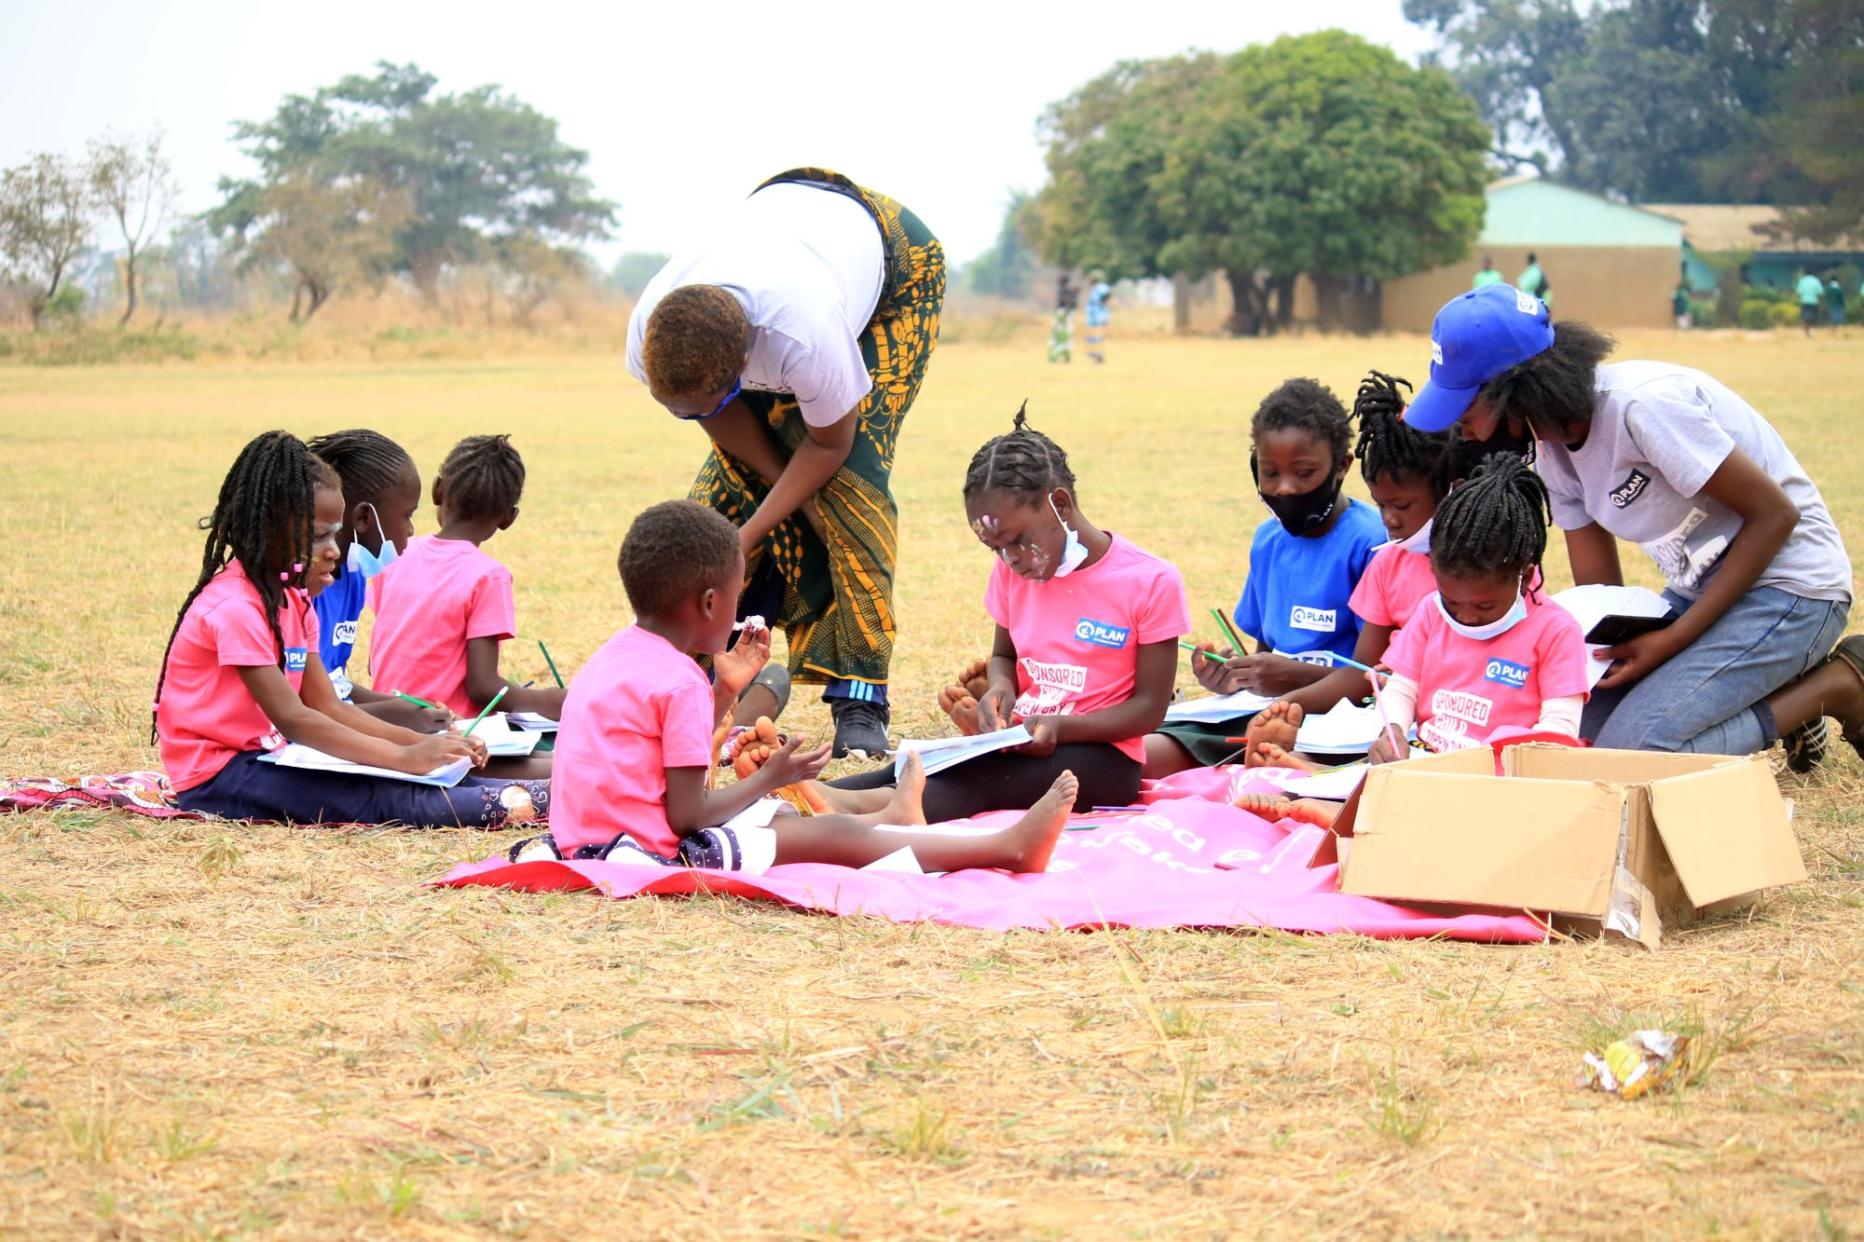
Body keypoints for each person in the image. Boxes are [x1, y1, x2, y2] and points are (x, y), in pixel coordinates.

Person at [1403, 282, 1864, 768]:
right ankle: (1763, 677)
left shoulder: (1641, 407)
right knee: (1583, 737)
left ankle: (1836, 690)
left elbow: (1776, 516)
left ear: (1514, 390)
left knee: (1635, 753)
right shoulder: (1551, 452)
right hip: (1703, 593)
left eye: (1466, 411)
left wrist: (1672, 641)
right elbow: (1601, 591)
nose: (1463, 430)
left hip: (1791, 588)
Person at [509, 500, 1077, 875]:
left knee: (782, 823)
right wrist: (773, 778)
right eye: (736, 598)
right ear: (710, 603)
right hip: (638, 851)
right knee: (831, 839)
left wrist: (726, 692)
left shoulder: (621, 653)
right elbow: (688, 817)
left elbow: (665, 755)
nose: (738, 613)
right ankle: (1006, 849)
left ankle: (891, 821)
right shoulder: (678, 679)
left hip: (592, 836)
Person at [625, 168, 946, 760]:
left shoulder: (802, 334)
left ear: (744, 365)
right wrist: (776, 514)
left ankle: (861, 694)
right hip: (782, 237)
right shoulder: (649, 334)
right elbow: (717, 420)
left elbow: (830, 445)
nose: (688, 416)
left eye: (707, 402)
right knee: (713, 505)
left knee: (850, 493)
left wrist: (755, 532)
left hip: (892, 264)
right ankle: (685, 680)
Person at [152, 431, 548, 826]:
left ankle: (541, 790)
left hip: (267, 755)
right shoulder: (236, 607)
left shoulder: (295, 602)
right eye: (320, 535)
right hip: (218, 776)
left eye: (333, 532)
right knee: (383, 797)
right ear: (271, 530)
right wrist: (405, 757)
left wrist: (425, 744)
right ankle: (535, 803)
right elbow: (295, 718)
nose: (334, 549)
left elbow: (328, 705)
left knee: (432, 771)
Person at [838, 407, 1189, 819]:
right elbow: (1004, 657)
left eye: (1018, 541)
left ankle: (854, 811)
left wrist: (1062, 729)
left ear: (1060, 503)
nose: (1011, 559)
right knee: (924, 765)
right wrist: (1000, 690)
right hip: (1022, 740)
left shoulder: (1150, 581)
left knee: (981, 780)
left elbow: (1150, 708)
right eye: (997, 550)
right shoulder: (1011, 574)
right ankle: (806, 796)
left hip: (1104, 761)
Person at [1366, 454, 1591, 761]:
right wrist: (1391, 731)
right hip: (1425, 767)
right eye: (1451, 601)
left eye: (1485, 605)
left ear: (1523, 576)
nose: (1466, 616)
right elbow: (1402, 689)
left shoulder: (1556, 631)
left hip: (1506, 784)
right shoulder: (1432, 612)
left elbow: (1560, 728)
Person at [369, 435, 568, 725]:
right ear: (508, 518)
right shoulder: (488, 576)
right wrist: (545, 701)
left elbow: (381, 658)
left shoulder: (398, 553)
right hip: (447, 729)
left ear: (438, 490)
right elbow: (483, 688)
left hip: (381, 718)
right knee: (553, 764)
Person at [302, 429, 448, 733]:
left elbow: (333, 683)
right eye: (407, 515)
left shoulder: (352, 577)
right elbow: (308, 703)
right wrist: (394, 718)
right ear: (365, 519)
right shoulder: (306, 587)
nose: (410, 530)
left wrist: (403, 710)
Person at [1083, 271, 1112, 364]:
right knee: (1092, 336)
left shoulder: (1101, 287)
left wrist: (1102, 302)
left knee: (1099, 335)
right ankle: (1094, 353)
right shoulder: (1094, 288)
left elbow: (1108, 293)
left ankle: (1099, 355)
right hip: (1093, 316)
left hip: (1100, 314)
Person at [1049, 272, 1077, 364]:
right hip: (1066, 314)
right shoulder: (1069, 290)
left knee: (1059, 335)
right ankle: (1065, 356)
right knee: (1065, 336)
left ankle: (1057, 356)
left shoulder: (1063, 290)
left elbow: (1067, 301)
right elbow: (1073, 302)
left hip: (1062, 314)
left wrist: (1065, 312)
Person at [1796, 268, 1824, 337]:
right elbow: (1820, 292)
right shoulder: (1816, 281)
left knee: (1805, 317)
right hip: (1814, 301)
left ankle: (1806, 332)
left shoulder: (1802, 281)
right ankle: (1812, 331)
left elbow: (1798, 292)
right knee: (1813, 317)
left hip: (1804, 301)